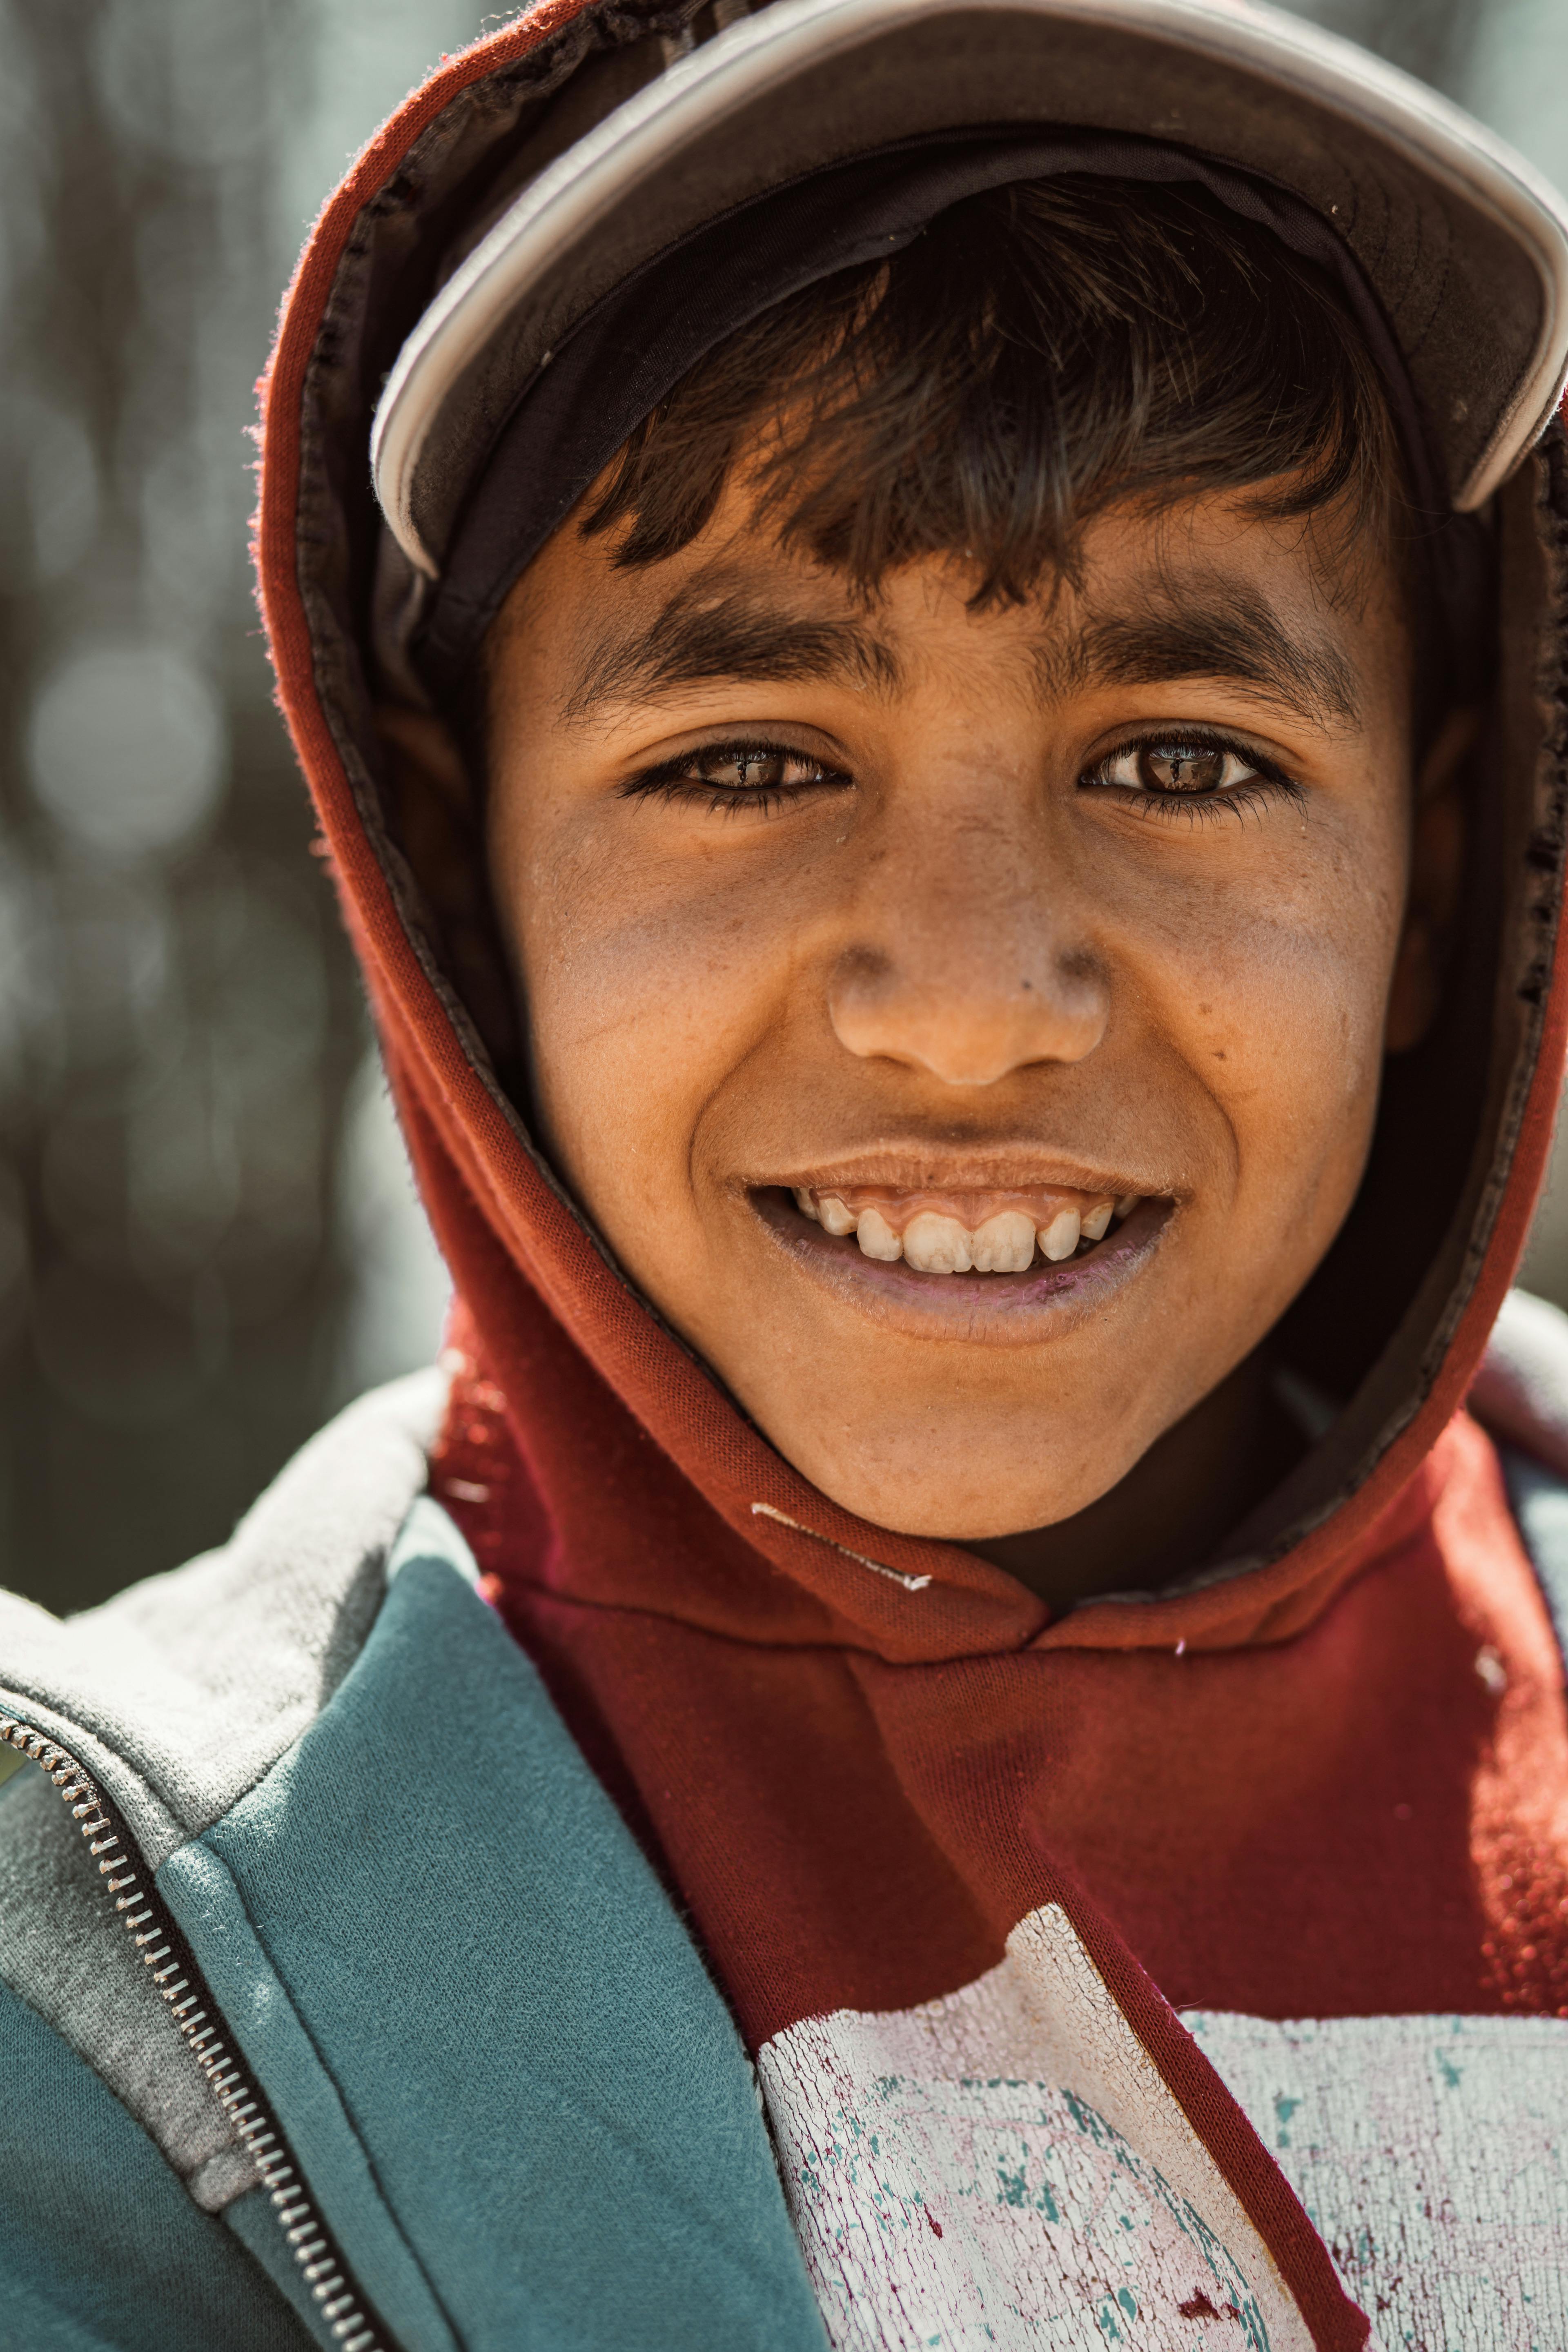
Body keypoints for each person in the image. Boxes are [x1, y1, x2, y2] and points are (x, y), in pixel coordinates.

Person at [6, 1, 1568, 2344]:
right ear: (453, 878)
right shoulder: (133, 1971)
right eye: (746, 760)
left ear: (1439, 885)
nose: (969, 1003)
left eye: (1178, 759)